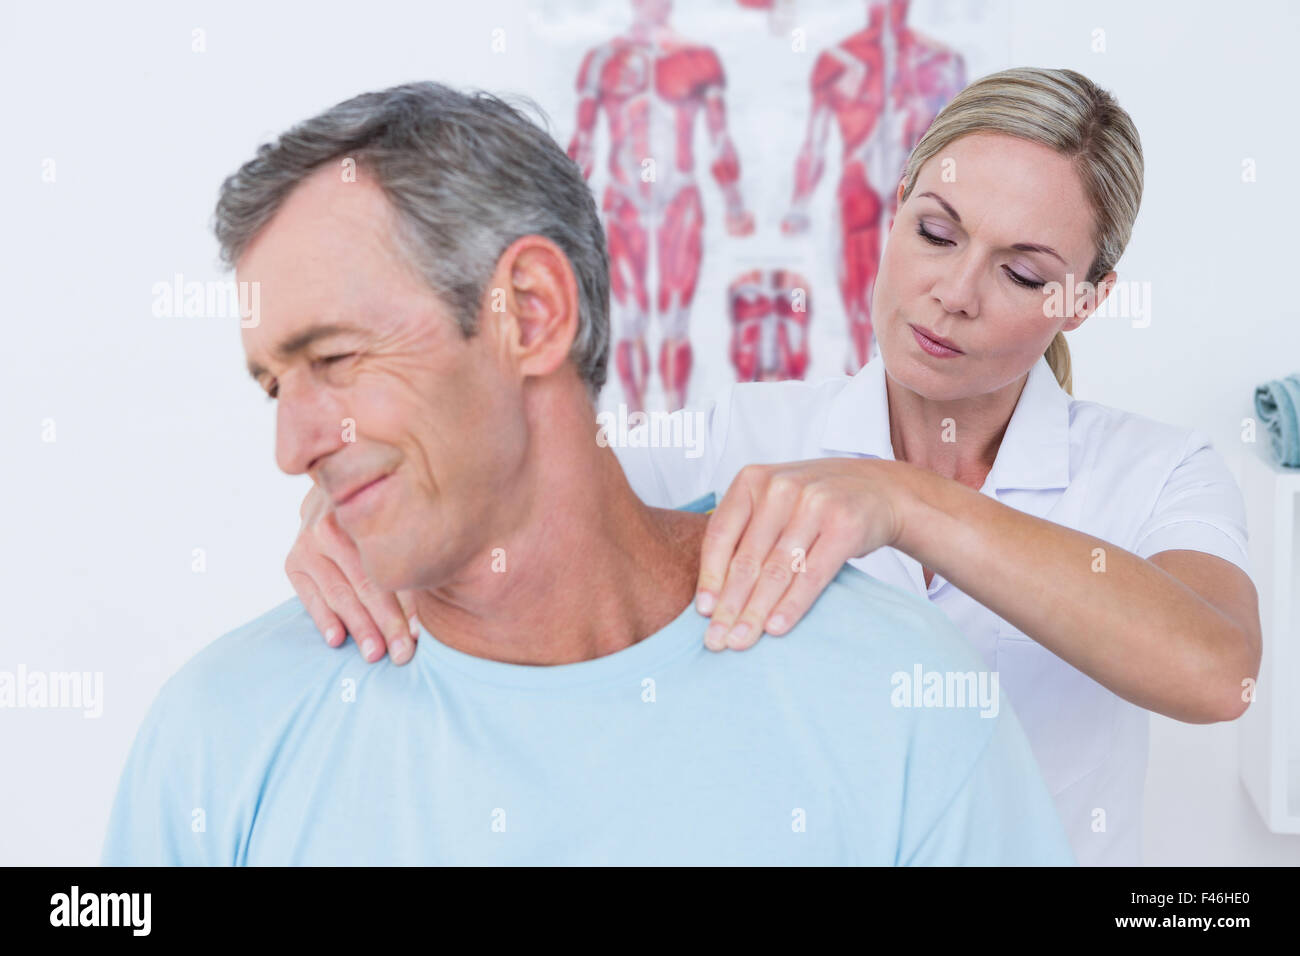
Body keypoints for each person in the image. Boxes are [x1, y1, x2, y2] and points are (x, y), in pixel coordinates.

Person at [285, 68, 1263, 867]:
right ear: (892, 213)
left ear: (1085, 301)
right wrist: (362, 507)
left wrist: (903, 500)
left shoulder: (1153, 471)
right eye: (935, 231)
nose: (953, 292)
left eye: (1021, 272)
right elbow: (515, 479)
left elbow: (1217, 671)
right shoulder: (742, 432)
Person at [101, 81, 1073, 866]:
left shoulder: (895, 696)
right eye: (275, 385)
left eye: (338, 358)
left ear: (529, 310)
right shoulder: (221, 732)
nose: (291, 445)